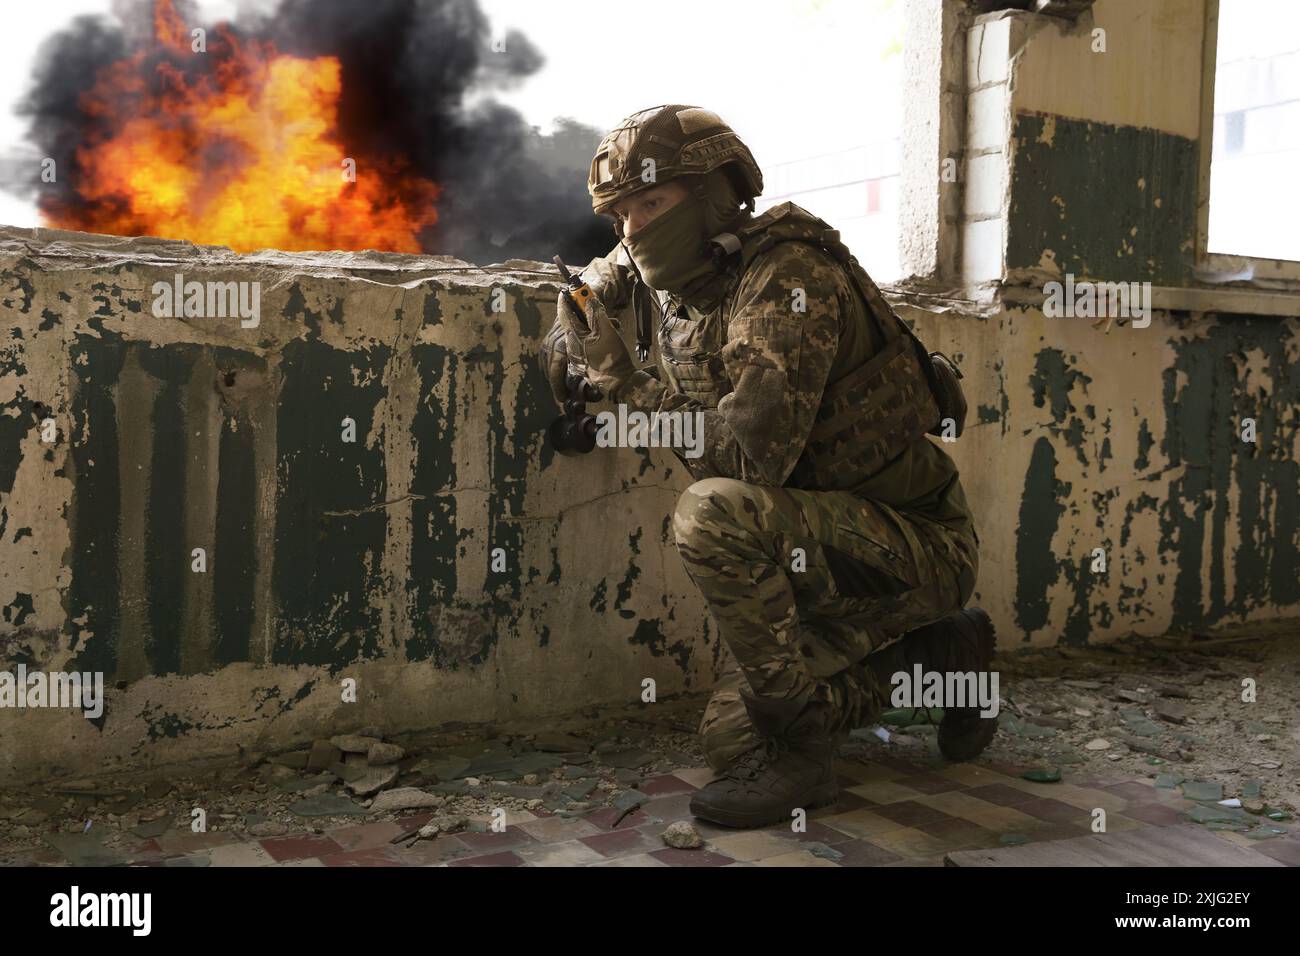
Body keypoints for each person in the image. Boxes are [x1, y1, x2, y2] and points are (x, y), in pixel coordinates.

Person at [540, 105, 997, 829]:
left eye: (651, 204)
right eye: (620, 213)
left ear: (715, 195)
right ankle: (944, 656)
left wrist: (624, 381)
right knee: (728, 738)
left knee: (712, 511)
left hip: (909, 543)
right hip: (813, 551)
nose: (634, 228)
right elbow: (614, 269)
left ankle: (803, 756)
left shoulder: (786, 279)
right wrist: (585, 307)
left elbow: (758, 459)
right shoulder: (692, 266)